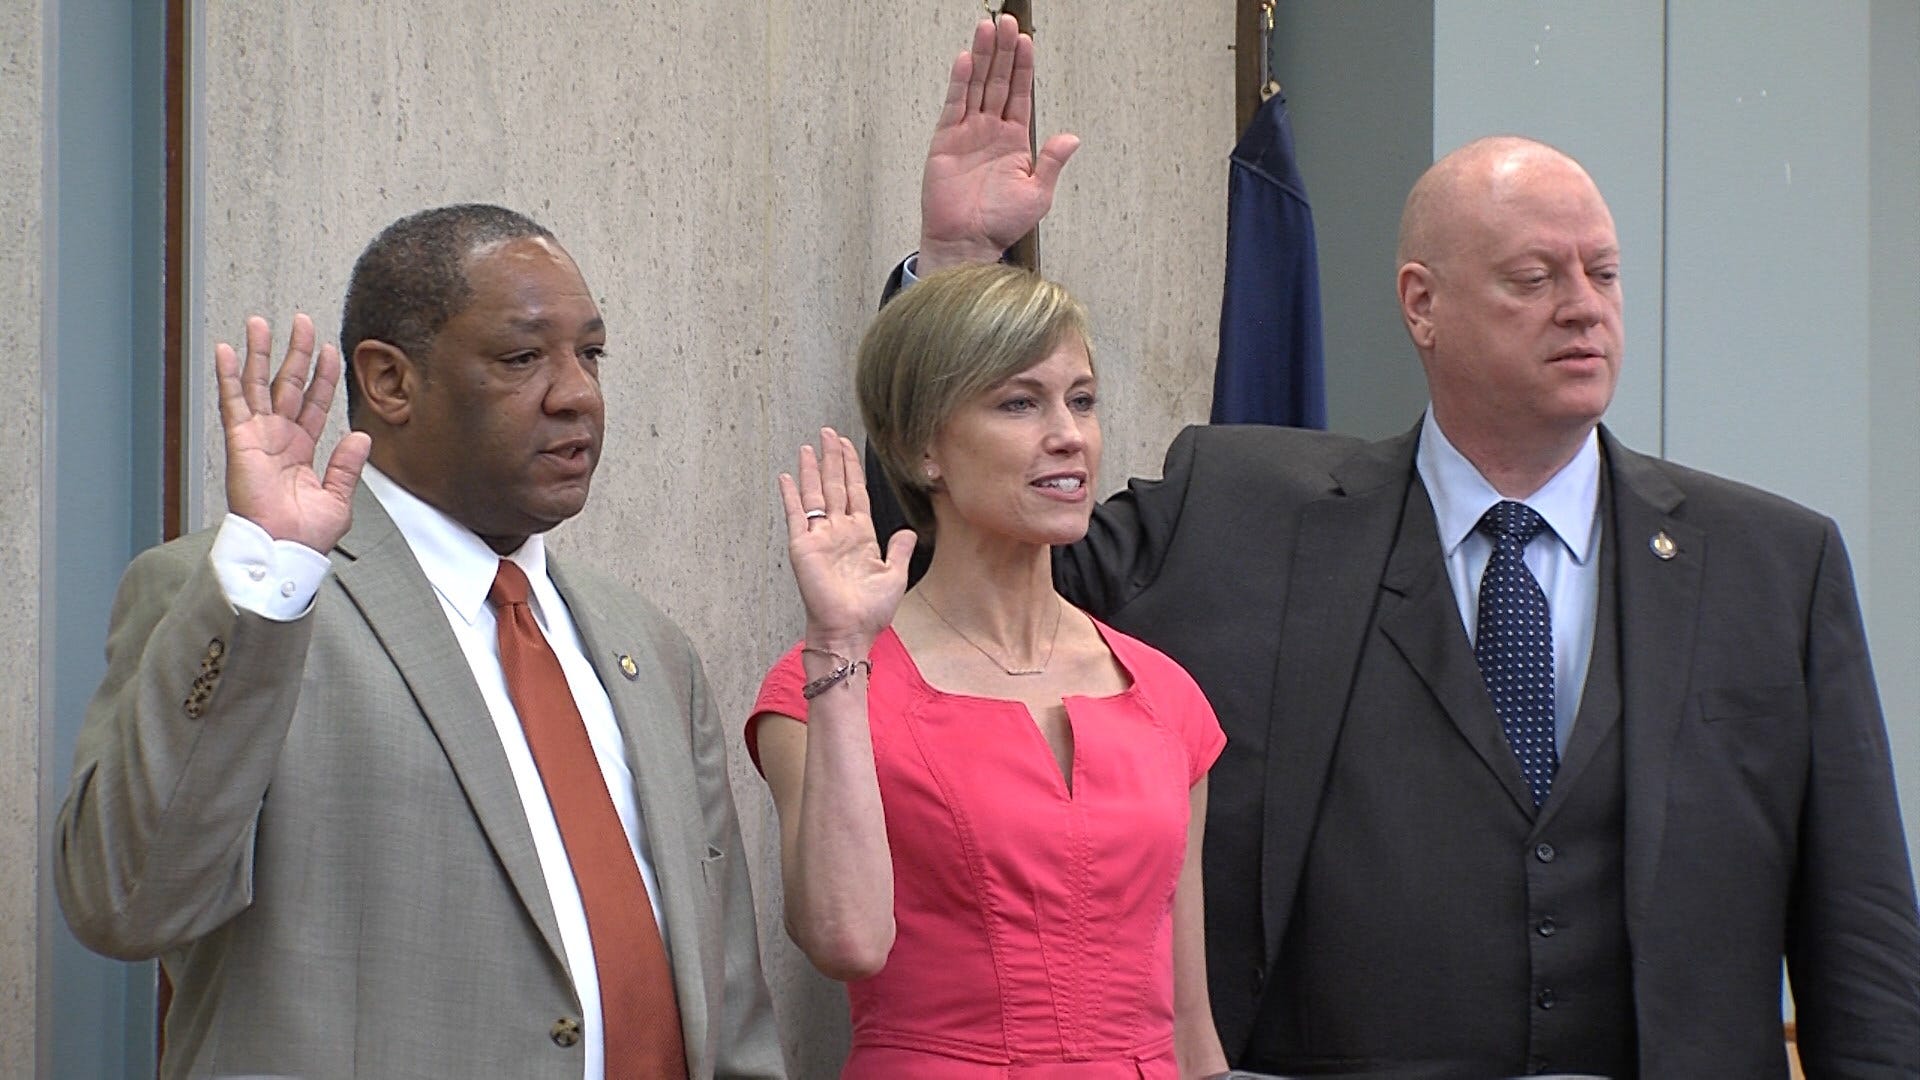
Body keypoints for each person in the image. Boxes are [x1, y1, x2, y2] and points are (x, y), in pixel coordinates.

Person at [877, 19, 1920, 1078]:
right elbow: (946, 573)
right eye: (1534, 278)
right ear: (1423, 304)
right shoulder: (1235, 509)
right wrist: (962, 272)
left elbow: (1864, 936)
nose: (1584, 310)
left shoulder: (1772, 566)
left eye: (1602, 274)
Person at [54, 205, 785, 1080]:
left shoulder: (648, 646)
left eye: (590, 353)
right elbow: (124, 903)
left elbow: (727, 1003)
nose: (578, 392)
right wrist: (267, 580)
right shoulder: (258, 605)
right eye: (522, 358)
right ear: (392, 383)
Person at [749, 263, 1231, 1078]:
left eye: (1082, 400)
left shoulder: (1165, 694)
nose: (1068, 434)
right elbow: (846, 939)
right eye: (1019, 403)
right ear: (921, 448)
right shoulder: (826, 682)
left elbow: (1188, 1016)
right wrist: (836, 645)